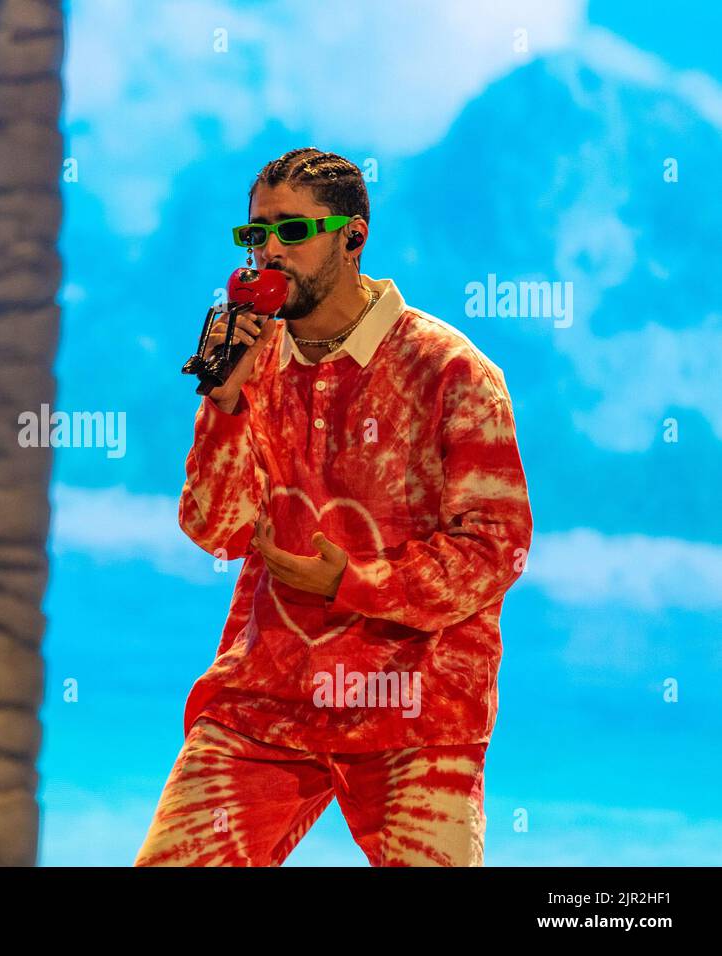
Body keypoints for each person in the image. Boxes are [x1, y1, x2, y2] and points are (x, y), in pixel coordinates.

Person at [135, 148, 533, 867]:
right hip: (266, 700)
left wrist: (352, 583)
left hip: (417, 710)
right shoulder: (252, 364)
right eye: (255, 234)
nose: (268, 253)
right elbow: (214, 529)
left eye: (292, 231)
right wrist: (224, 402)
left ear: (354, 236)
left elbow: (494, 549)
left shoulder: (449, 372)